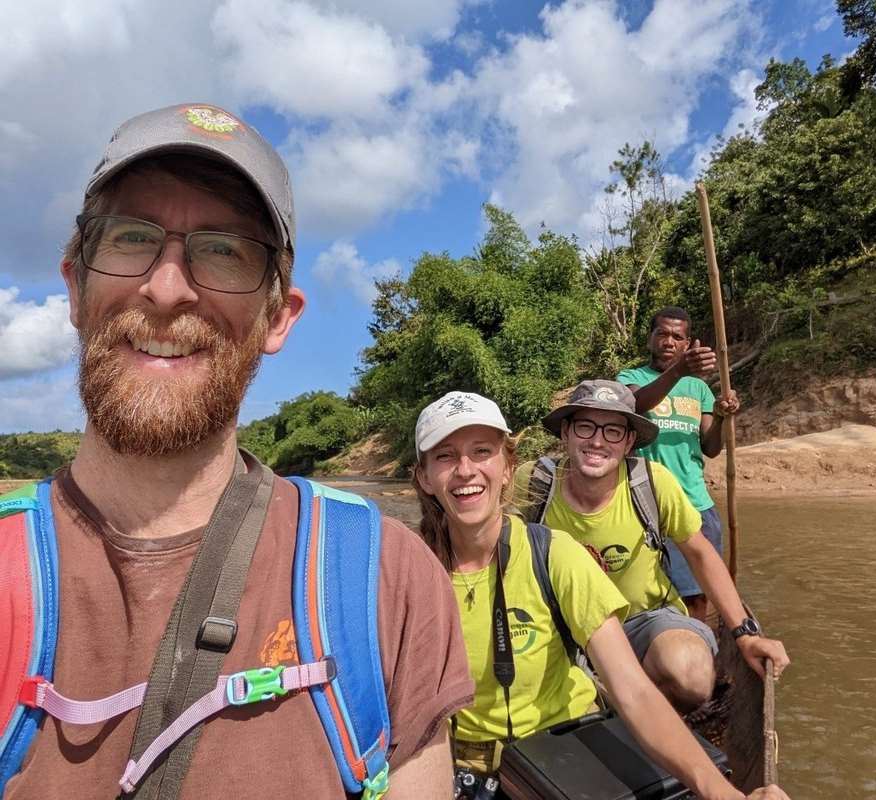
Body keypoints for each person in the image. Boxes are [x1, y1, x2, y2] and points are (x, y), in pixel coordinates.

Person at [1, 104, 471, 799]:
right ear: (75, 284)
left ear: (279, 317)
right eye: (132, 238)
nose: (166, 289)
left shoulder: (383, 581)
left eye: (224, 249)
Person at [413, 391, 790, 800]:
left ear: (507, 468)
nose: (466, 470)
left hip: (568, 743)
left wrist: (721, 792)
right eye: (446, 456)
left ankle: (651, 734)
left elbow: (636, 690)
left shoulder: (557, 550)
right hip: (463, 768)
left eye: (482, 451)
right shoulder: (407, 575)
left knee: (680, 672)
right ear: (424, 477)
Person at [514, 380, 788, 715]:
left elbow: (701, 554)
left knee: (690, 674)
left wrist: (745, 635)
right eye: (585, 427)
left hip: (642, 619)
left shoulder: (650, 482)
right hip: (560, 629)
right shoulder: (531, 483)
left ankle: (634, 698)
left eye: (613, 431)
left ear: (629, 442)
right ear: (566, 433)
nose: (597, 441)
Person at [617, 306, 739, 620]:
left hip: (693, 505)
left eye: (677, 337)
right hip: (643, 506)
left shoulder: (699, 389)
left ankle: (701, 659)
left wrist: (724, 417)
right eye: (662, 334)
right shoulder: (630, 378)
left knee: (698, 599)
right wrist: (679, 371)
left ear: (687, 344)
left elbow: (711, 448)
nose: (669, 341)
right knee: (642, 597)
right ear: (649, 339)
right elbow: (635, 405)